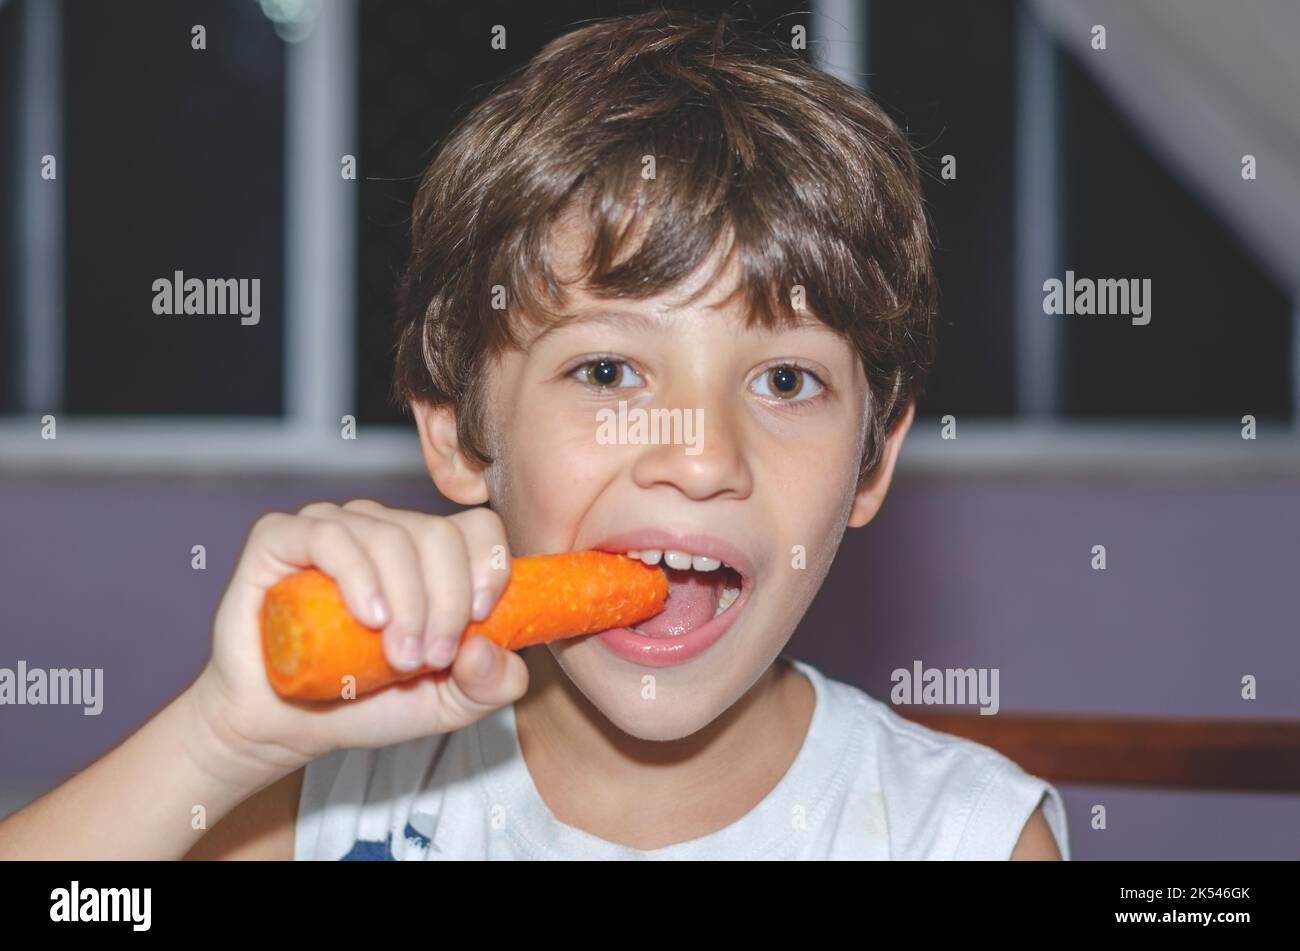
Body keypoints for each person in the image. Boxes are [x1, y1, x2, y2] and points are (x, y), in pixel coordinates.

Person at [0, 9, 1068, 861]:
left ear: (872, 460)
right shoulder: (327, 802)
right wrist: (218, 740)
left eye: (786, 379)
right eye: (605, 371)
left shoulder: (960, 836)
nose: (698, 457)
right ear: (463, 436)